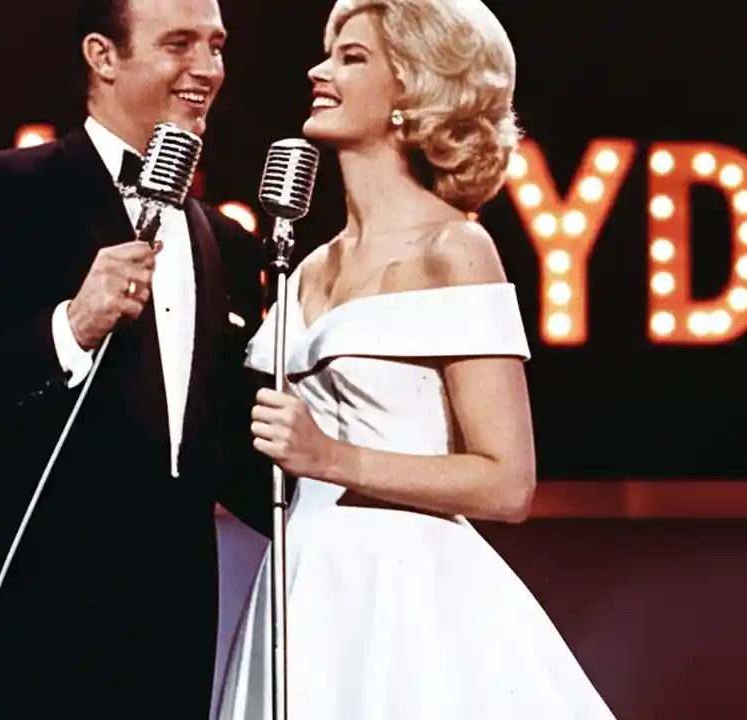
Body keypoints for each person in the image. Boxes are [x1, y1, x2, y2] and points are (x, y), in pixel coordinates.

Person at [215, 0, 617, 717]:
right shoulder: (304, 269)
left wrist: (334, 458)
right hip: (303, 587)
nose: (319, 71)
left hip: (403, 599)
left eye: (352, 57)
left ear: (413, 92)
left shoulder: (455, 251)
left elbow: (506, 483)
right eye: (329, 53)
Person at [0, 0, 271, 715]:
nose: (207, 69)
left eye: (217, 46)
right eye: (179, 44)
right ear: (103, 56)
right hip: (27, 631)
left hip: (171, 642)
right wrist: (69, 330)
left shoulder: (228, 245)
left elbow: (226, 455)